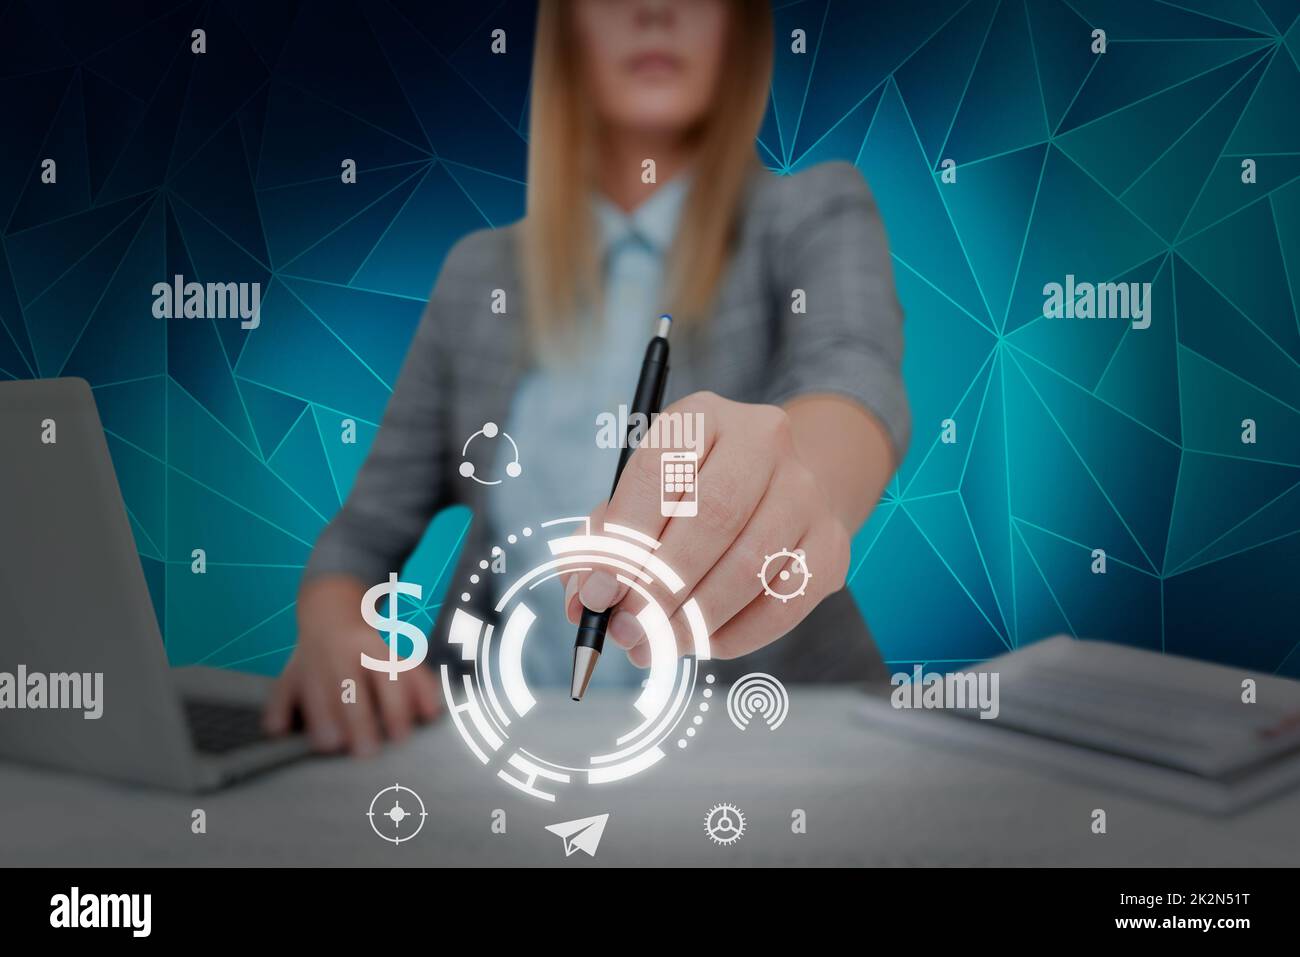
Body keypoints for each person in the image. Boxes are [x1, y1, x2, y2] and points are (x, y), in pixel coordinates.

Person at [264, 0, 909, 756]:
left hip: (768, 753)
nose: (655, 11)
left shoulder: (812, 211)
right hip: (493, 755)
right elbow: (361, 537)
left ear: (739, 27)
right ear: (567, 27)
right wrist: (336, 627)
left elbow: (854, 377)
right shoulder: (480, 274)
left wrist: (801, 482)